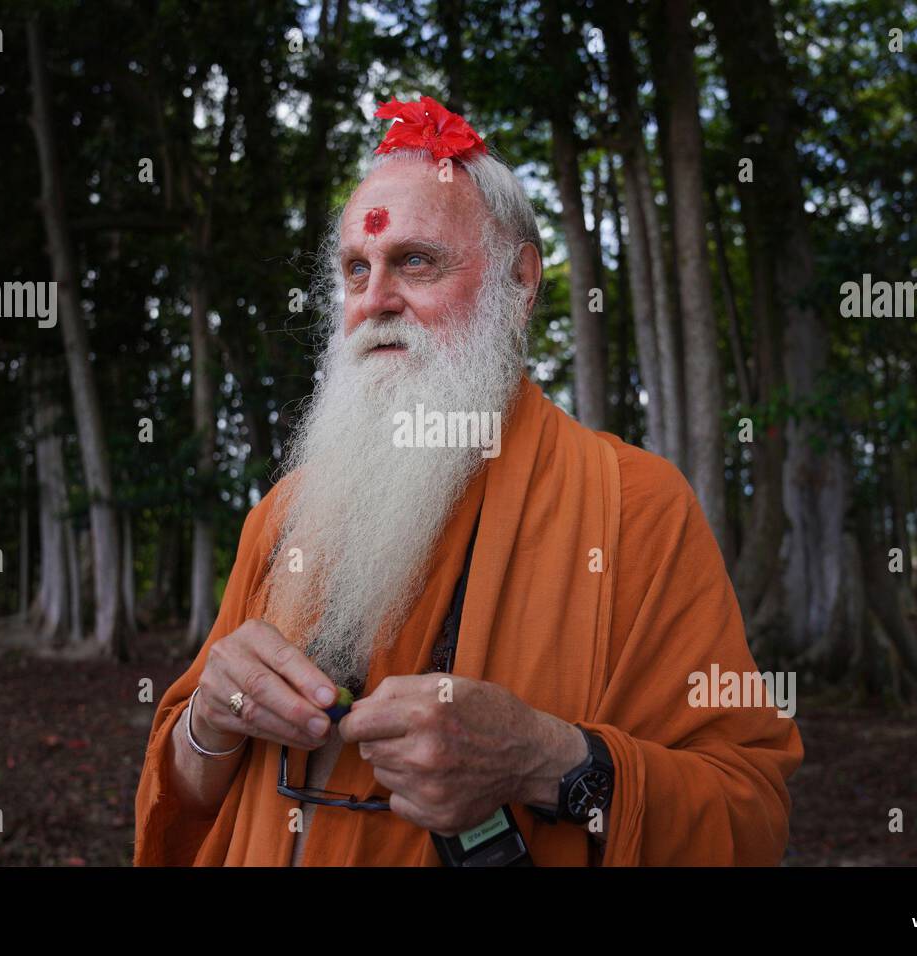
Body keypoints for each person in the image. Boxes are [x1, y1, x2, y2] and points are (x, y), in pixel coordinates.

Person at [134, 95, 803, 866]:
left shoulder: (637, 509)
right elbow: (180, 796)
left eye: (414, 261)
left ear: (519, 282)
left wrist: (549, 760)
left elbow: (748, 813)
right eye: (357, 269)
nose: (376, 300)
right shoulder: (284, 515)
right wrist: (206, 723)